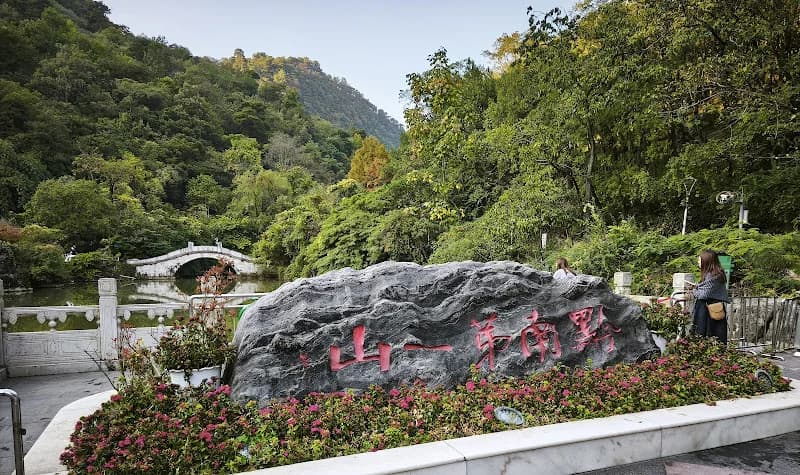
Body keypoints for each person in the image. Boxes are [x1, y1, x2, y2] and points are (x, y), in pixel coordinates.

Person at [689, 249, 730, 343]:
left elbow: (703, 294)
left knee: (705, 334)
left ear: (706, 261)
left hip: (708, 309)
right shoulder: (714, 273)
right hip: (712, 307)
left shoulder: (713, 275)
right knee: (715, 335)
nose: (698, 263)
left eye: (700, 260)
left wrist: (694, 290)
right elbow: (706, 289)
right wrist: (698, 287)